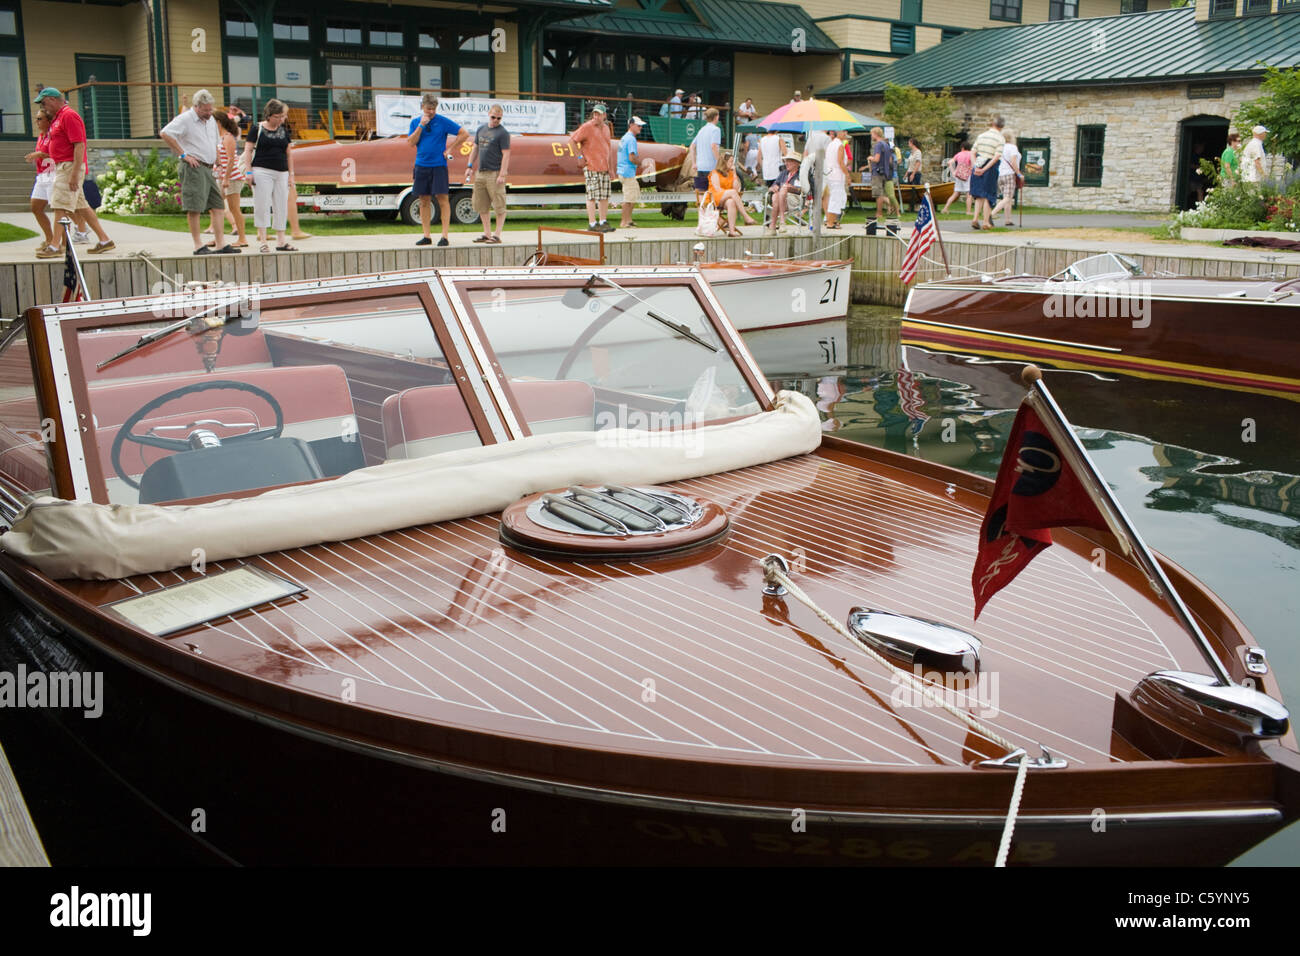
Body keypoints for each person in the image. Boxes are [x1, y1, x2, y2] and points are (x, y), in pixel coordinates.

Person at [33, 87, 114, 258]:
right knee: (81, 206)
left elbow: (79, 145)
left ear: (53, 99)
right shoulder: (59, 117)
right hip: (63, 165)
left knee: (59, 205)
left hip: (68, 166)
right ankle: (105, 240)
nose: (43, 106)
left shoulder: (69, 115)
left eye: (44, 102)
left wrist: (74, 174)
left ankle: (55, 247)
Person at [160, 90, 235, 256]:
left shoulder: (211, 120)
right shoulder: (185, 119)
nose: (209, 113)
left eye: (210, 110)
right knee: (194, 207)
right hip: (193, 167)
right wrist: (183, 154)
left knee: (217, 206)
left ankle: (220, 244)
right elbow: (165, 133)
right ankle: (198, 245)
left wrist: (219, 162)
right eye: (205, 110)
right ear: (196, 107)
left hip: (209, 167)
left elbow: (214, 143)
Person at [407, 93, 469, 247]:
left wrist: (450, 149)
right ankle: (426, 236)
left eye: (433, 109)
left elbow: (464, 133)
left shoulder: (442, 121)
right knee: (423, 200)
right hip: (421, 165)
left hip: (439, 166)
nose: (431, 112)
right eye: (428, 109)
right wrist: (421, 125)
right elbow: (410, 142)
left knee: (443, 199)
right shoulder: (415, 122)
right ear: (422, 107)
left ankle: (445, 236)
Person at [241, 98, 297, 252]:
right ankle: (263, 241)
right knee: (262, 204)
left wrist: (291, 174)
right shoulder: (256, 129)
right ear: (269, 115)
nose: (280, 120)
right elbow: (248, 150)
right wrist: (249, 171)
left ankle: (281, 241)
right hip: (261, 170)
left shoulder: (283, 130)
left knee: (281, 205)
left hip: (281, 171)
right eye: (277, 116)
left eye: (282, 117)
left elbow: (289, 153)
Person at [465, 103, 511, 243]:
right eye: (493, 117)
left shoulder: (503, 133)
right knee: (481, 204)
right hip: (481, 172)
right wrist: (469, 166)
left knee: (499, 204)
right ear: (488, 115)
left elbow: (506, 154)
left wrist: (502, 174)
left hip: (495, 173)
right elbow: (475, 149)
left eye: (499, 118)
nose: (496, 120)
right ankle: (487, 233)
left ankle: (497, 235)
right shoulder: (481, 130)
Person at [571, 103, 615, 232]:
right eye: (594, 113)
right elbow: (573, 140)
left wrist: (611, 168)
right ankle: (592, 223)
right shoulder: (587, 127)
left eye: (599, 114)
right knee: (591, 195)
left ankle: (603, 221)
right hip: (591, 166)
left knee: (604, 195)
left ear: (604, 115)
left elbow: (608, 149)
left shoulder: (607, 128)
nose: (596, 116)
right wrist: (579, 157)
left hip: (604, 168)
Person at [212, 109, 248, 247]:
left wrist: (226, 179)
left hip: (232, 177)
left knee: (234, 208)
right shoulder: (218, 138)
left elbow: (231, 159)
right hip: (220, 176)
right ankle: (218, 238)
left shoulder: (228, 137)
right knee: (216, 207)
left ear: (218, 122)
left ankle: (242, 238)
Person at [26, 113, 56, 253]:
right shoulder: (41, 136)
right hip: (42, 175)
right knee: (36, 207)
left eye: (39, 119)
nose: (36, 121)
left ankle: (61, 242)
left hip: (53, 174)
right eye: (36, 118)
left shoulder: (53, 135)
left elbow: (58, 154)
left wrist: (39, 154)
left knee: (58, 210)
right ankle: (49, 238)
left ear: (48, 121)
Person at [708, 152, 757, 237]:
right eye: (730, 161)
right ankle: (746, 216)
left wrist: (734, 174)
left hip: (725, 198)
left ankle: (731, 231)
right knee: (732, 193)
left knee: (731, 202)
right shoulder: (715, 173)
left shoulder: (730, 173)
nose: (732, 164)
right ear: (724, 162)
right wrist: (729, 193)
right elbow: (717, 189)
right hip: (714, 198)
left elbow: (736, 188)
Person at [970, 116, 1005, 230]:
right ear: (1002, 126)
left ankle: (975, 219)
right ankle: (985, 222)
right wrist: (985, 169)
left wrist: (976, 166)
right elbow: (996, 157)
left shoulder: (981, 136)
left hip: (978, 163)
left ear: (992, 124)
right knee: (988, 195)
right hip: (990, 166)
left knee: (978, 195)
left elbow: (973, 152)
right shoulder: (1000, 138)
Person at [864, 126, 898, 226]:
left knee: (878, 194)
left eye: (871, 134)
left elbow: (877, 159)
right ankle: (892, 207)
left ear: (875, 134)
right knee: (883, 193)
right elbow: (890, 159)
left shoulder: (878, 145)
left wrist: (870, 158)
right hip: (886, 172)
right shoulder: (887, 144)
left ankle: (879, 213)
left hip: (877, 172)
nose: (871, 136)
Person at [689, 107, 722, 207]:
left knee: (702, 195)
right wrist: (720, 162)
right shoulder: (716, 130)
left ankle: (703, 218)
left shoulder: (701, 130)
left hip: (701, 166)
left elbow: (692, 146)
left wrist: (694, 163)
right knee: (713, 194)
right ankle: (714, 218)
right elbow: (714, 146)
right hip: (711, 167)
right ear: (716, 117)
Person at [616, 115, 644, 229]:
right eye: (638, 126)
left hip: (624, 171)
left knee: (633, 196)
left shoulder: (624, 137)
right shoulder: (631, 139)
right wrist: (640, 163)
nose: (640, 128)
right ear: (631, 125)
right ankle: (624, 222)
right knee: (628, 199)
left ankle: (629, 220)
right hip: (628, 172)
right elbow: (632, 157)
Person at [766, 150, 802, 234]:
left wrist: (791, 188)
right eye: (786, 161)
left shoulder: (800, 175)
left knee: (783, 189)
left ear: (797, 163)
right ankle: (781, 222)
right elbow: (774, 185)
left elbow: (802, 190)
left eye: (789, 161)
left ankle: (773, 226)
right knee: (776, 195)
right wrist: (773, 188)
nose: (786, 163)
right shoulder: (784, 173)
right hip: (781, 200)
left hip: (794, 200)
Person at [990, 133, 1023, 227]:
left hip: (1000, 175)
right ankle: (992, 214)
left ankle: (1008, 220)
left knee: (1006, 198)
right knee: (1008, 197)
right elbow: (1013, 161)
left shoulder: (1000, 148)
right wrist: (1019, 173)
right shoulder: (1012, 147)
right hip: (1009, 174)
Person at [824, 129, 850, 229]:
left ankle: (832, 220)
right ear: (837, 133)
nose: (845, 134)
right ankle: (830, 222)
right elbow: (840, 162)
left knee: (834, 197)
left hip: (829, 174)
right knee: (836, 198)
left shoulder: (831, 144)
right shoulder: (839, 146)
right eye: (843, 132)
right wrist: (847, 175)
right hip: (837, 175)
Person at [942, 140, 973, 215]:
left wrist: (953, 172)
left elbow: (949, 163)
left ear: (962, 148)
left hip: (958, 175)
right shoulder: (970, 154)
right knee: (969, 194)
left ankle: (945, 208)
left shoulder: (959, 154)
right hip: (967, 176)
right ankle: (968, 211)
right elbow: (972, 166)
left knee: (955, 193)